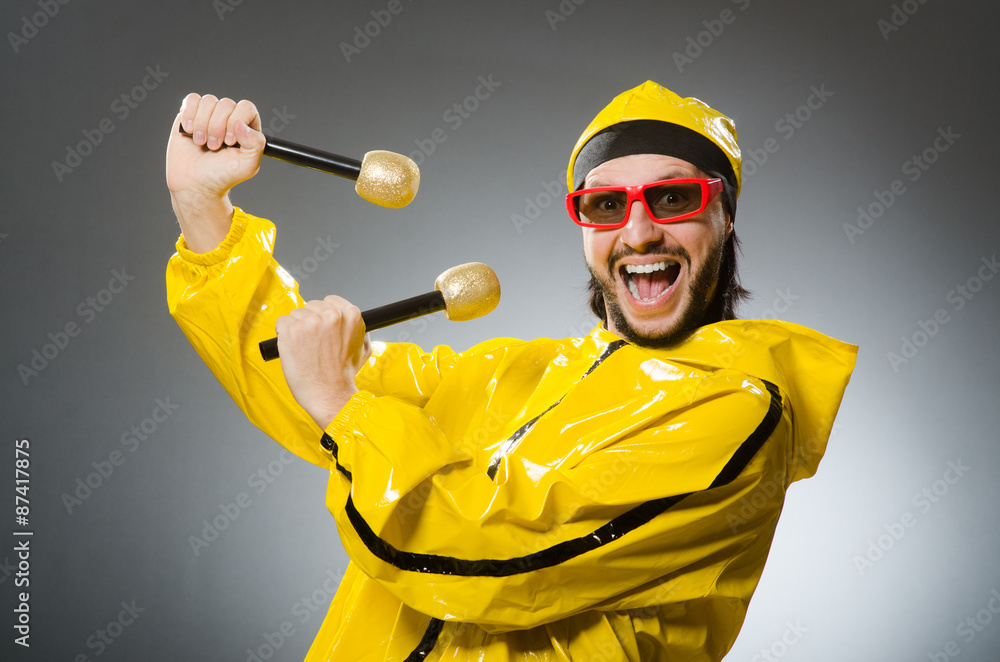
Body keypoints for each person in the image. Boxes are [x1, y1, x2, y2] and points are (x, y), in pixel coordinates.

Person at [165, 81, 857, 661]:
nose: (639, 232)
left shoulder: (737, 412)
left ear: (725, 215)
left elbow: (486, 557)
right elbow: (299, 380)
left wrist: (346, 409)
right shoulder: (514, 371)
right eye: (606, 205)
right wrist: (204, 212)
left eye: (674, 198)